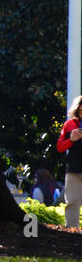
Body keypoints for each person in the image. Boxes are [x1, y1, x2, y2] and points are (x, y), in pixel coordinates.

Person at [57, 97, 82, 227]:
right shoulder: (70, 125)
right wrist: (71, 139)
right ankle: (72, 230)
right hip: (73, 170)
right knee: (72, 202)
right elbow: (60, 147)